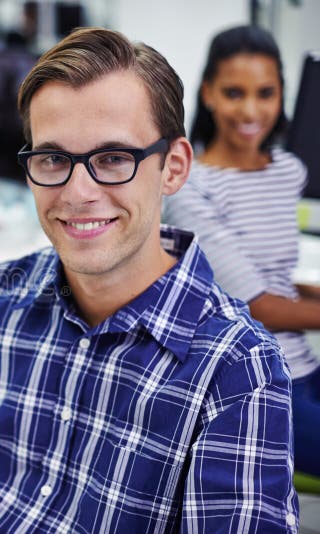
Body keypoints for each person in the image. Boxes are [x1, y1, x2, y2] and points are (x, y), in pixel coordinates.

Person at [0, 27, 298, 532]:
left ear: (173, 168)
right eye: (52, 158)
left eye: (113, 158)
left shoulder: (237, 374)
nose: (78, 192)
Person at [164, 25, 320, 479]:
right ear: (209, 93)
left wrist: (308, 292)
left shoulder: (288, 172)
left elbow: (272, 274)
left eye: (265, 93)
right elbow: (253, 305)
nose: (251, 110)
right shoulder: (191, 185)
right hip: (251, 382)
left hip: (304, 365)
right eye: (235, 93)